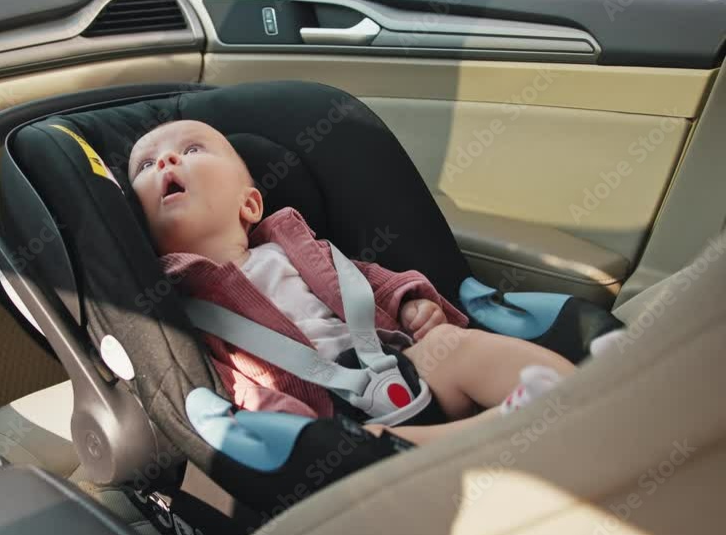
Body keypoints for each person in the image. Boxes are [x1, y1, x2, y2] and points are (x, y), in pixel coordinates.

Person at [128, 120, 575, 444]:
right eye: (145, 166)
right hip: (330, 419)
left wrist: (409, 302)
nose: (166, 160)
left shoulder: (295, 247)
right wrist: (298, 433)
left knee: (460, 347)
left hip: (395, 364)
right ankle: (499, 432)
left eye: (191, 151)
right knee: (366, 450)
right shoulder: (179, 301)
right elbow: (226, 382)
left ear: (250, 205)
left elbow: (365, 280)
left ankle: (583, 395)